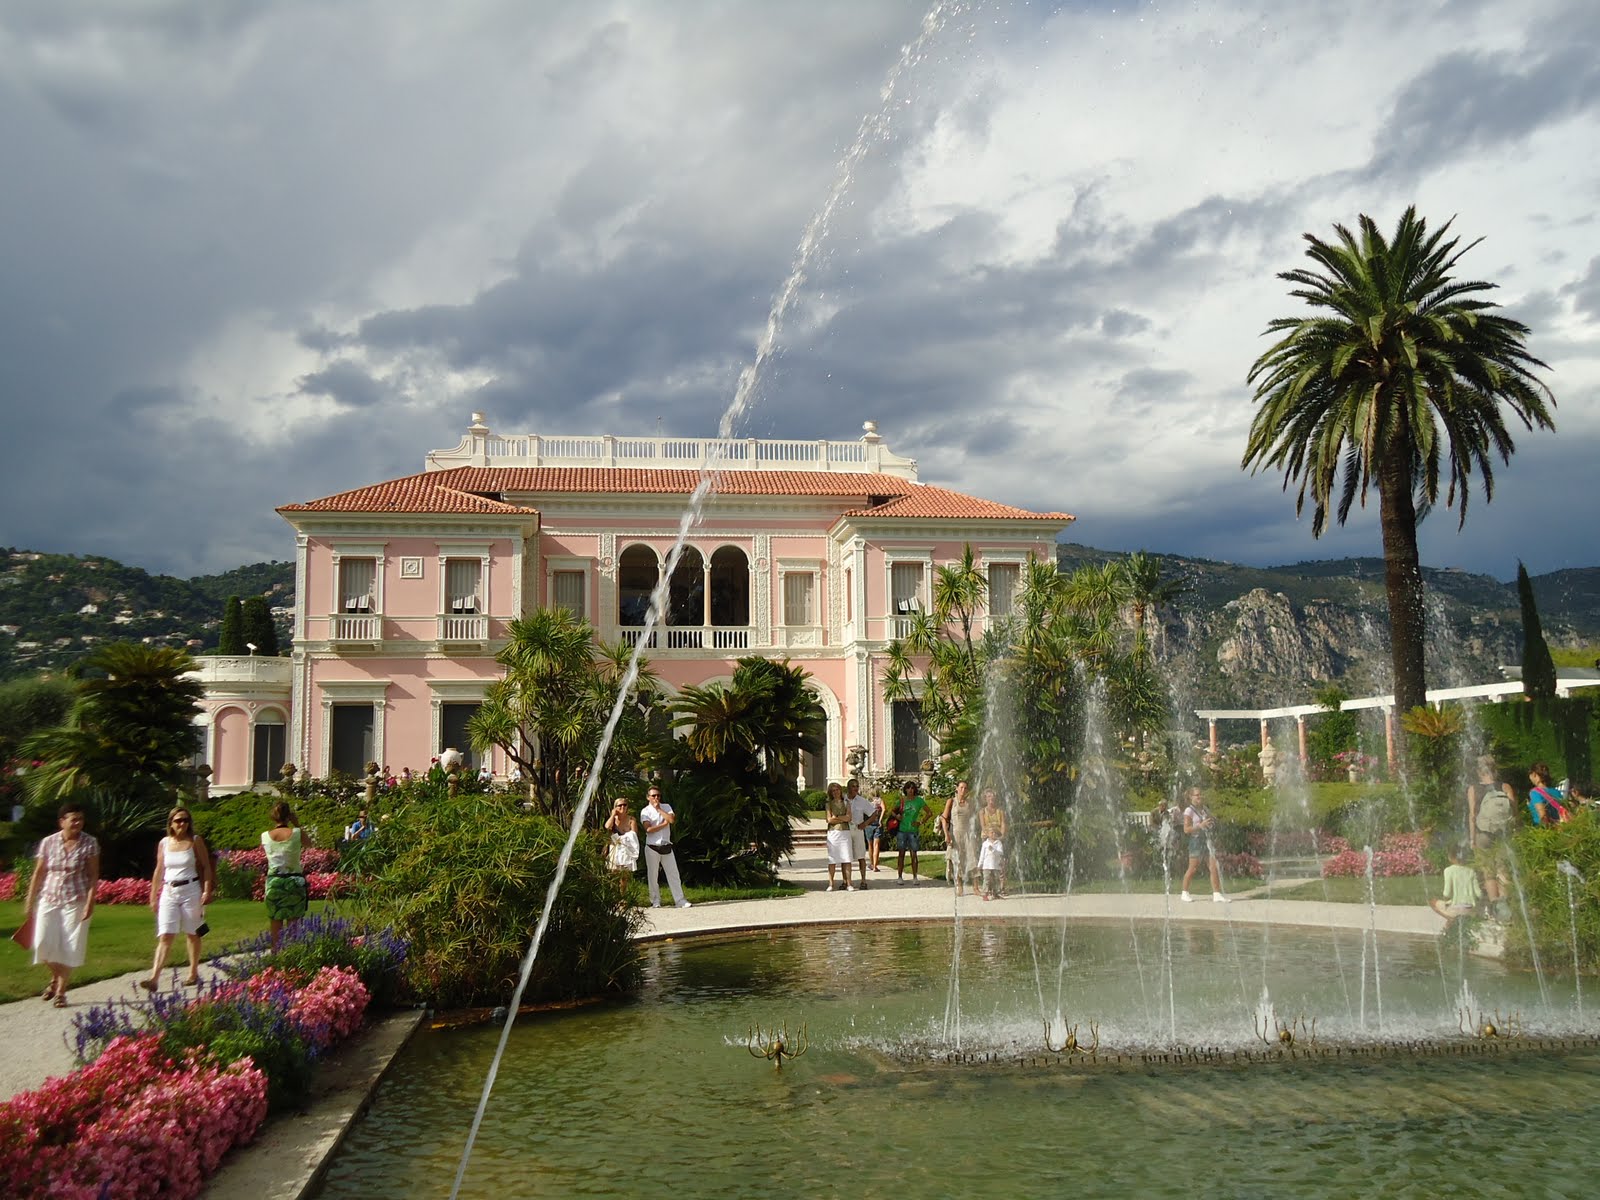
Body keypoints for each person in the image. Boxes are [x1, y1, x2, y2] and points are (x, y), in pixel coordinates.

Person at [22, 802, 100, 1008]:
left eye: (80, 819)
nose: (78, 823)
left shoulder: (89, 843)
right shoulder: (48, 843)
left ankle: (61, 992)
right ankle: (56, 977)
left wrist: (90, 902)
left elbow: (93, 876)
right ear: (62, 821)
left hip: (76, 899)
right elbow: (39, 872)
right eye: (73, 819)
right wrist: (30, 900)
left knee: (69, 946)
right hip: (49, 898)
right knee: (42, 944)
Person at [140, 806, 214, 991]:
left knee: (193, 932)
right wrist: (153, 895)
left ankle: (193, 972)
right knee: (166, 934)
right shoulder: (164, 843)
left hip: (191, 889)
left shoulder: (195, 841)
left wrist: (206, 890)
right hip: (169, 890)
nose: (182, 824)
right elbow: (159, 869)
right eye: (178, 820)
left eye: (185, 820)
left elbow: (206, 866)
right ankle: (154, 977)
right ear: (171, 823)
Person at [1467, 755, 1514, 918]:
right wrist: (1517, 831)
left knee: (1488, 870)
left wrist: (1472, 838)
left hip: (1483, 833)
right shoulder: (1505, 787)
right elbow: (1514, 813)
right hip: (1503, 833)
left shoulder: (1474, 789)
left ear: (1479, 771)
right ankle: (1506, 905)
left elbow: (1472, 814)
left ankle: (1496, 909)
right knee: (1503, 868)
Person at [262, 800, 309, 951]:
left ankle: (276, 957)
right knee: (294, 925)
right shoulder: (296, 833)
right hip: (294, 881)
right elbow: (309, 843)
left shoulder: (265, 836)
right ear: (289, 815)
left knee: (275, 923)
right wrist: (297, 824)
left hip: (274, 882)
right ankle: (292, 957)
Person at [640, 785, 690, 909]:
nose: (656, 798)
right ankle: (655, 900)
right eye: (653, 796)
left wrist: (659, 810)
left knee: (673, 874)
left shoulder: (666, 807)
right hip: (652, 847)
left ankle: (680, 900)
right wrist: (663, 824)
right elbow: (649, 829)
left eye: (658, 795)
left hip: (666, 845)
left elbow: (671, 820)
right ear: (648, 797)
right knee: (653, 875)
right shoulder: (645, 811)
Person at [1180, 787, 1228, 903]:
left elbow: (1210, 820)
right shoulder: (1189, 811)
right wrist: (1200, 825)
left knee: (1213, 866)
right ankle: (1184, 892)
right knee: (1193, 868)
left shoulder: (1204, 809)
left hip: (1206, 840)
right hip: (1196, 841)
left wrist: (1212, 822)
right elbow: (1186, 829)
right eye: (1197, 795)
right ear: (1191, 797)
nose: (1199, 797)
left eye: (1200, 794)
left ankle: (1216, 894)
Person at [939, 781, 980, 896]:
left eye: (965, 788)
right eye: (961, 787)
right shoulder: (951, 802)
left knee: (973, 858)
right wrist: (946, 834)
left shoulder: (969, 803)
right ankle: (959, 886)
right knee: (957, 860)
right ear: (957, 788)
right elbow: (944, 818)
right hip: (956, 833)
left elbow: (973, 819)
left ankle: (976, 887)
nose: (963, 790)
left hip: (968, 833)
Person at [1429, 845, 1482, 923]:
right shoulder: (1471, 871)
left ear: (1450, 857)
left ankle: (1451, 919)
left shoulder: (1448, 870)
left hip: (1456, 909)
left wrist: (1446, 901)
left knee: (1432, 902)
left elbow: (1447, 894)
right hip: (1470, 909)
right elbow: (1479, 894)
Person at [892, 780, 927, 885]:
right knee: (901, 853)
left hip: (913, 830)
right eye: (908, 788)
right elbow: (893, 811)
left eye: (912, 788)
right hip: (902, 830)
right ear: (905, 789)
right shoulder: (902, 801)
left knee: (913, 854)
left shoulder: (919, 801)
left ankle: (915, 876)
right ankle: (899, 876)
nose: (910, 790)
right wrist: (897, 816)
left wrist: (920, 822)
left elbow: (929, 812)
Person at [823, 782, 856, 892]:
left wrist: (836, 817)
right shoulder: (829, 804)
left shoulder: (846, 803)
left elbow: (849, 818)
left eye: (837, 789)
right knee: (832, 859)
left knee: (846, 858)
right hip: (833, 833)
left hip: (844, 832)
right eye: (833, 790)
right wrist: (842, 818)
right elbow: (829, 819)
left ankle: (849, 883)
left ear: (840, 791)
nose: (836, 792)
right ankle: (831, 883)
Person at [978, 787, 1006, 900]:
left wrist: (1002, 836)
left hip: (998, 839)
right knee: (988, 865)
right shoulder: (982, 812)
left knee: (1000, 865)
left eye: (993, 797)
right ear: (985, 798)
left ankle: (1000, 889)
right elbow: (983, 825)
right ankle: (987, 890)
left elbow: (1003, 823)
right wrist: (989, 836)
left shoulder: (1000, 811)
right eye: (988, 797)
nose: (991, 799)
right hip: (987, 838)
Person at [847, 778, 874, 889]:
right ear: (848, 787)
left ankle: (863, 880)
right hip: (846, 830)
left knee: (860, 856)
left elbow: (873, 813)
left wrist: (866, 823)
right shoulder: (843, 799)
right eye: (853, 786)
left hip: (858, 830)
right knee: (846, 857)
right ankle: (847, 881)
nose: (856, 788)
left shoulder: (862, 801)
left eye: (857, 786)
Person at [604, 797, 640, 874]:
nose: (622, 807)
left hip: (626, 849)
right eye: (620, 805)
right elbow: (607, 826)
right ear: (615, 807)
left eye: (624, 805)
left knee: (624, 875)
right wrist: (613, 815)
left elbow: (634, 835)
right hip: (614, 848)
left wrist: (623, 838)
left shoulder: (631, 819)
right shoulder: (613, 819)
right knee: (614, 873)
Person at [862, 786, 885, 873]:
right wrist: (880, 819)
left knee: (870, 845)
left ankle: (872, 863)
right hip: (877, 824)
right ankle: (875, 865)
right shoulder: (879, 800)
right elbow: (884, 809)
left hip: (869, 824)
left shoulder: (867, 801)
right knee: (876, 845)